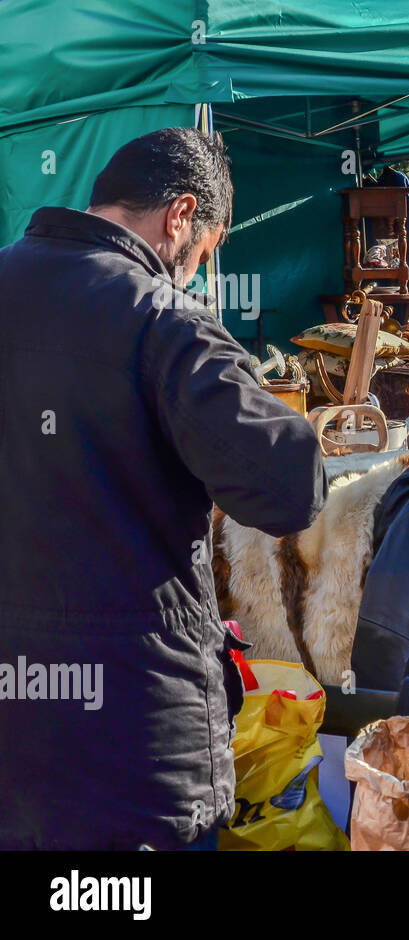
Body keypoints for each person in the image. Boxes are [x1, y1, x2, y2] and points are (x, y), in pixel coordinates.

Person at [0, 128, 327, 850]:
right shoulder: (162, 320)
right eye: (206, 253)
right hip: (131, 744)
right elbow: (287, 490)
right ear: (181, 217)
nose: (199, 273)